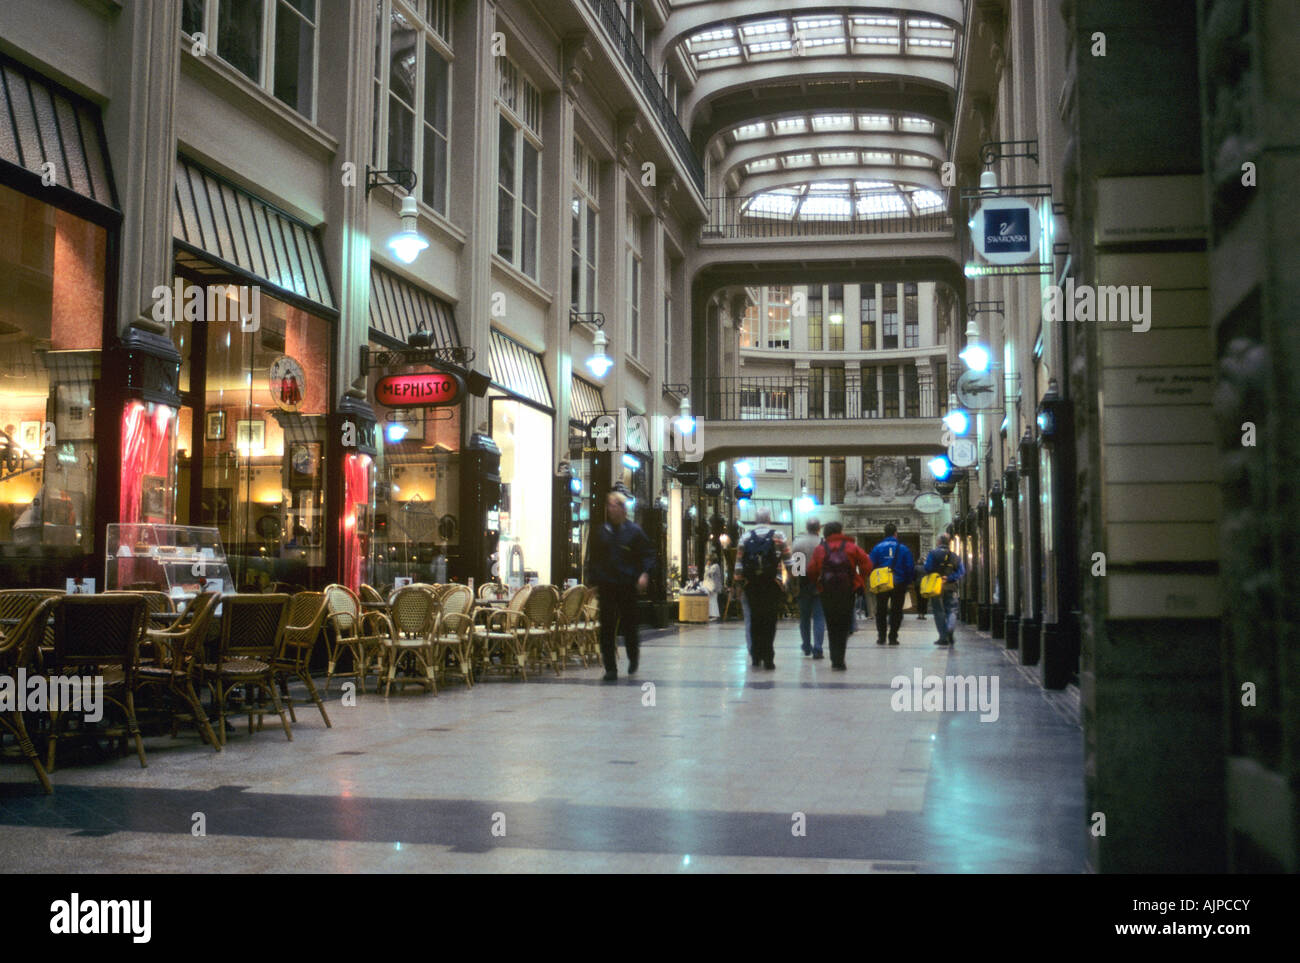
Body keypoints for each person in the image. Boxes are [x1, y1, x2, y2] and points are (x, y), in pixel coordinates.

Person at [586, 492, 656, 681]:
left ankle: (633, 656)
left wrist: (644, 573)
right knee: (607, 627)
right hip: (607, 585)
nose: (611, 508)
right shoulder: (601, 532)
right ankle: (610, 668)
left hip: (627, 585)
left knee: (630, 625)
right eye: (609, 505)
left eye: (615, 505)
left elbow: (648, 554)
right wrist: (592, 581)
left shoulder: (634, 532)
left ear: (624, 509)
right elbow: (593, 558)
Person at [808, 521, 873, 670]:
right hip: (847, 590)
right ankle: (840, 660)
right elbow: (867, 565)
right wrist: (859, 579)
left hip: (827, 591)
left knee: (832, 625)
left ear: (826, 534)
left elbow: (811, 570)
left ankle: (834, 658)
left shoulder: (820, 549)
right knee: (843, 625)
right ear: (841, 531)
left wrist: (819, 582)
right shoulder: (852, 547)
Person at [736, 507, 790, 670]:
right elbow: (789, 561)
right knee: (769, 620)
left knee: (755, 619)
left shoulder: (745, 537)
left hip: (751, 585)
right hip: (772, 584)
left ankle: (756, 655)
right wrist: (794, 581)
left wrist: (738, 585)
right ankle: (768, 657)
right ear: (769, 519)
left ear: (755, 520)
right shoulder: (779, 536)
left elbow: (738, 565)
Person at [868, 523, 915, 646]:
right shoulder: (903, 548)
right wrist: (908, 581)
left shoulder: (877, 548)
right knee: (896, 610)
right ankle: (893, 636)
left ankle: (881, 637)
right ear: (896, 533)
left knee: (881, 610)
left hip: (882, 583)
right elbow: (910, 566)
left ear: (884, 534)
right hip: (899, 582)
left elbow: (870, 565)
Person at [791, 518, 826, 658]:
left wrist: (794, 585)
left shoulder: (797, 543)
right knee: (819, 617)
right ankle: (818, 648)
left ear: (806, 527)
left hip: (803, 584)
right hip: (819, 583)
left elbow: (795, 568)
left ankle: (806, 645)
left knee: (804, 617)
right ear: (819, 528)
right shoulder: (822, 543)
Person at [924, 533, 965, 646]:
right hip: (951, 586)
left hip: (936, 587)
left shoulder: (932, 554)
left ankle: (943, 637)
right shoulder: (955, 556)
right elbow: (961, 572)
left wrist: (936, 575)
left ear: (938, 542)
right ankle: (950, 627)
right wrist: (949, 577)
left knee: (938, 611)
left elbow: (927, 567)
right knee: (951, 609)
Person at [704, 553, 724, 621]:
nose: (707, 561)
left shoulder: (715, 566)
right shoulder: (713, 566)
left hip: (714, 586)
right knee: (711, 600)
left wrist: (707, 566)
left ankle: (715, 615)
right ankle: (712, 614)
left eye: (708, 560)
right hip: (711, 586)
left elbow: (709, 573)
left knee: (713, 600)